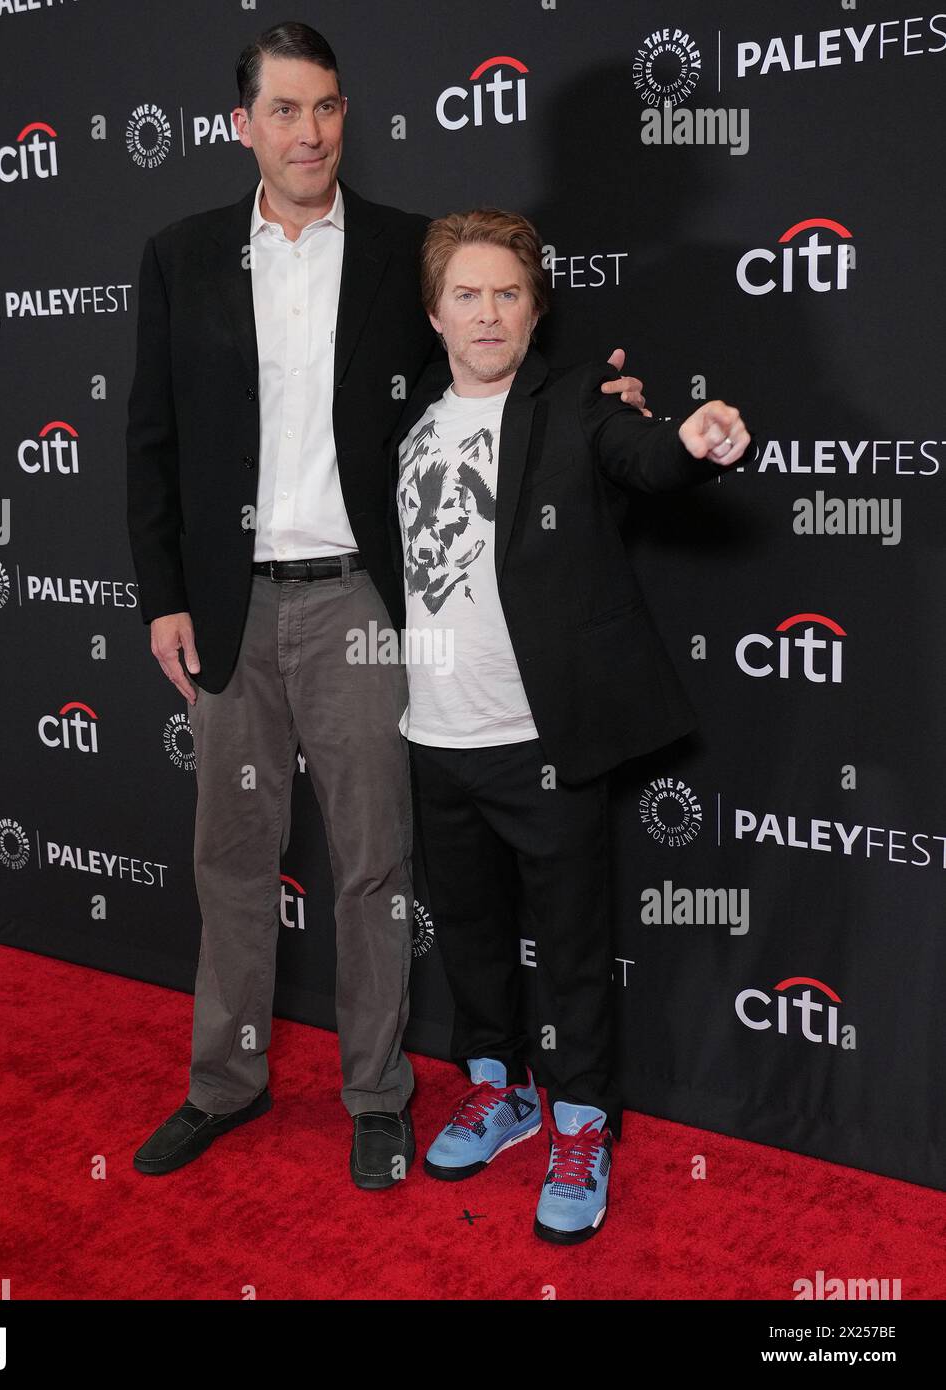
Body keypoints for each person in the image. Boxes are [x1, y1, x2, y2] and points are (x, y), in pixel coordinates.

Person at [125, 22, 648, 1190]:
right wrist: (161, 594)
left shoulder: (410, 252)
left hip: (364, 599)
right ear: (241, 125)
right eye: (282, 111)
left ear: (345, 114)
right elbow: (149, 439)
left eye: (324, 108)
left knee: (373, 864)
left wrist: (606, 399)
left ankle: (375, 1096)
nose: (306, 132)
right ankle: (227, 1081)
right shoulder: (181, 254)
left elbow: (494, 363)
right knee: (230, 857)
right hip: (225, 609)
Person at [388, 208, 749, 1242]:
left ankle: (580, 1120)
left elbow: (646, 454)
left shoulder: (579, 403)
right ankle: (497, 1088)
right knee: (468, 940)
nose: (487, 311)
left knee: (575, 949)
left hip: (541, 742)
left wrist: (691, 439)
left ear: (535, 308)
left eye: (507, 292)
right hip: (433, 736)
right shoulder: (405, 420)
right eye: (467, 293)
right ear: (434, 311)